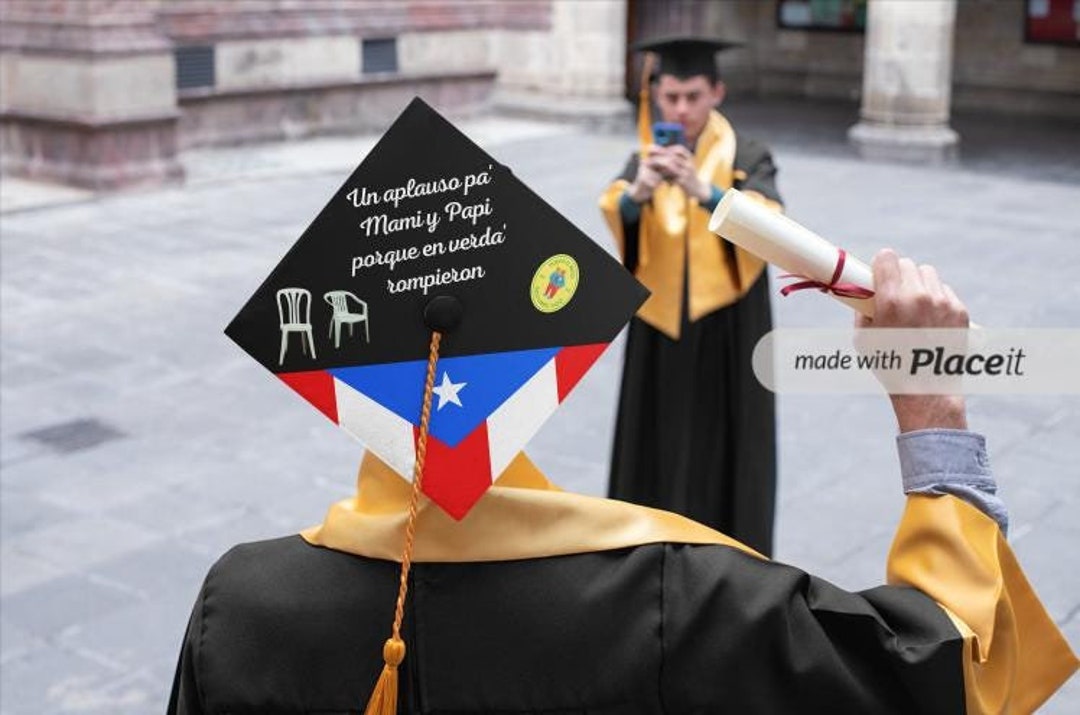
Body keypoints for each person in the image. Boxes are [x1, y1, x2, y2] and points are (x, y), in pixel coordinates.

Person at [168, 249, 1077, 714]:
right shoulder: (677, 596)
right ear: (534, 382)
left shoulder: (239, 606)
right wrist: (934, 411)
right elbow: (941, 669)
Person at [599, 37, 781, 556]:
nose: (681, 109)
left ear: (716, 92)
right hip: (659, 330)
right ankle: (644, 553)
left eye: (692, 96)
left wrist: (706, 192)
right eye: (670, 96)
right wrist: (638, 195)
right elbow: (618, 213)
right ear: (655, 95)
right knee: (653, 443)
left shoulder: (747, 156)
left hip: (727, 328)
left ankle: (729, 557)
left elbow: (771, 224)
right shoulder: (643, 159)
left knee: (725, 446)